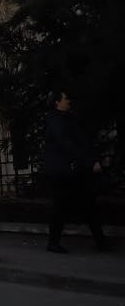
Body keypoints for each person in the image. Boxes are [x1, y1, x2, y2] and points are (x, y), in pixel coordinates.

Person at [43, 90, 108, 253]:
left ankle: (101, 242)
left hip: (72, 170)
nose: (69, 101)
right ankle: (53, 243)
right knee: (61, 207)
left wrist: (91, 159)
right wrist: (89, 162)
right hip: (61, 172)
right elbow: (67, 144)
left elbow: (81, 141)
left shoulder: (68, 118)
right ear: (57, 102)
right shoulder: (55, 120)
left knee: (87, 204)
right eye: (65, 99)